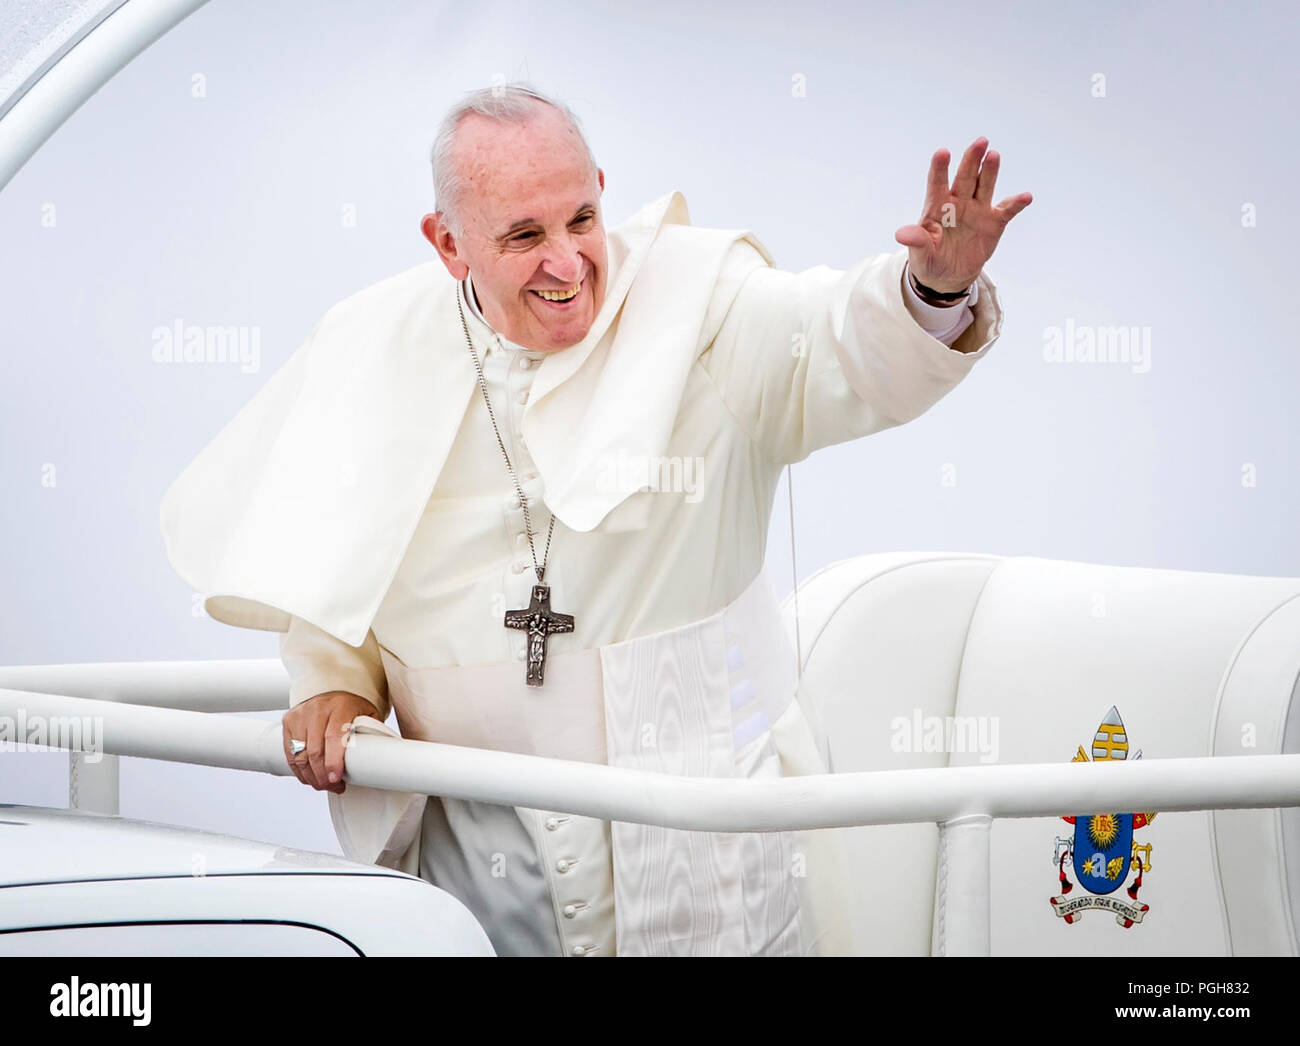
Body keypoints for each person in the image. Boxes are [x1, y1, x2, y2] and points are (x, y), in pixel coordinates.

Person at [159, 82, 1031, 956]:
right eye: (525, 236)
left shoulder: (699, 300)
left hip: (704, 835)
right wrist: (335, 679)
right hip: (480, 850)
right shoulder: (369, 347)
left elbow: (832, 339)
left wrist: (928, 288)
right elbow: (330, 545)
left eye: (582, 219)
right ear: (448, 243)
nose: (569, 264)